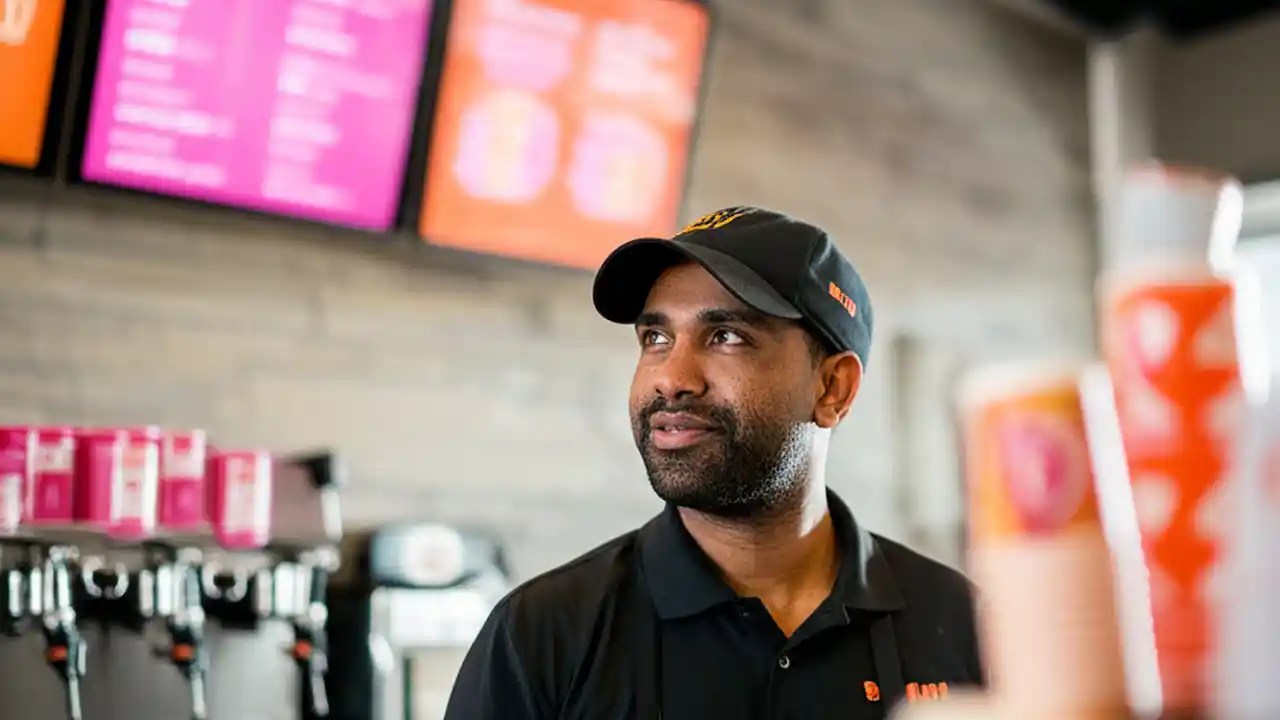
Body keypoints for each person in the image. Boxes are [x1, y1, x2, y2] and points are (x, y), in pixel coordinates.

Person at [444, 207, 983, 720]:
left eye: (726, 337)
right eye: (656, 338)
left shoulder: (966, 627)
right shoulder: (541, 637)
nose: (671, 377)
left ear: (832, 388)